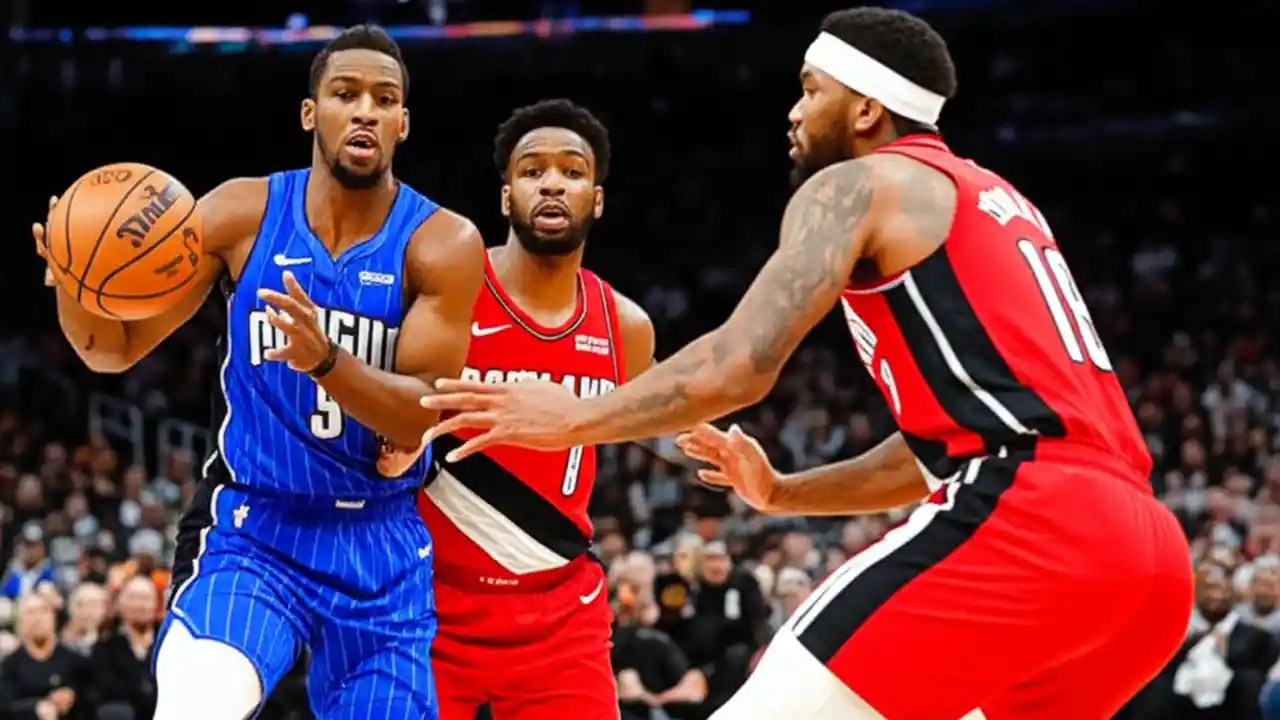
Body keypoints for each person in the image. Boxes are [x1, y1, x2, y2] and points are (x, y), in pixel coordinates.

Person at [419, 7, 1195, 719]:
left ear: (864, 108)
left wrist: (571, 417)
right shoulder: (996, 195)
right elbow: (947, 441)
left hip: (1035, 526)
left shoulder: (856, 185)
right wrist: (785, 493)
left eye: (810, 90)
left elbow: (740, 363)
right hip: (1148, 565)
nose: (792, 112)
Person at [31, 25, 485, 720]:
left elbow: (421, 413)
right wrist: (73, 280)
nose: (365, 110)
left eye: (383, 99)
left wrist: (326, 361)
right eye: (345, 93)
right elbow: (110, 350)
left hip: (380, 543)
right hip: (255, 526)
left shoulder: (442, 242)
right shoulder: (242, 213)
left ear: (402, 124)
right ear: (311, 113)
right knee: (196, 706)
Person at [380, 98, 654, 720]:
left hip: (559, 618)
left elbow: (667, 429)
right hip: (427, 606)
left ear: (596, 198)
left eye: (571, 170)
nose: (552, 182)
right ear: (506, 198)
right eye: (532, 171)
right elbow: (385, 411)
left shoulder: (625, 328)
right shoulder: (450, 296)